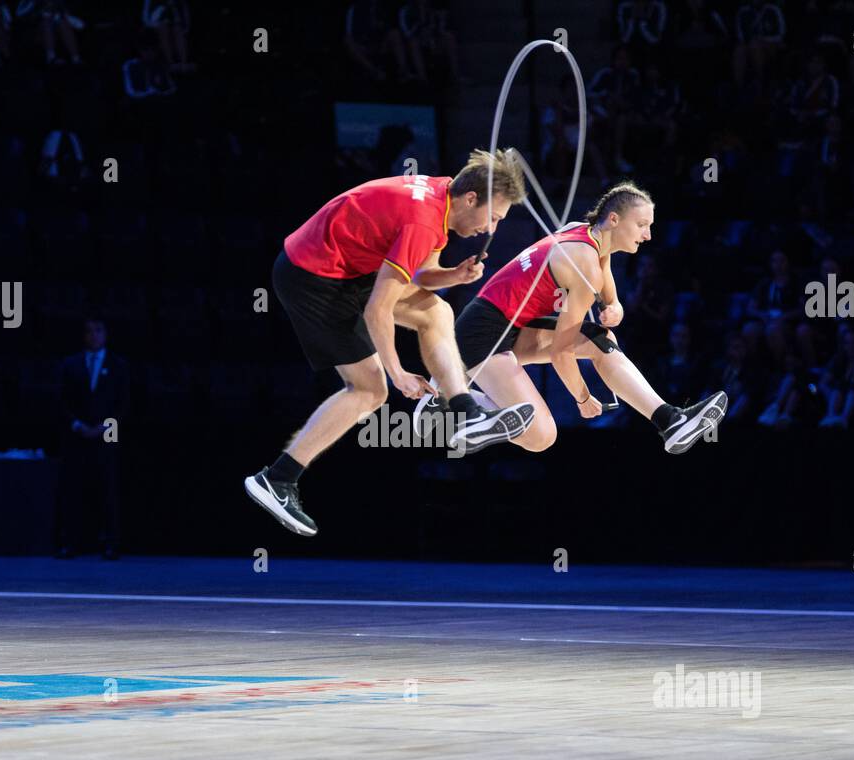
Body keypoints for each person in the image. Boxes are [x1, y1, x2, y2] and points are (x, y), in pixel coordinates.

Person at [244, 149, 537, 537]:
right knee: (370, 389)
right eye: (493, 217)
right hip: (313, 278)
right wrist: (397, 372)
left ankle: (465, 410)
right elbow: (377, 310)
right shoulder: (423, 222)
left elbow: (424, 275)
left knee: (438, 313)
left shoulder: (439, 195)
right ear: (471, 199)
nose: (490, 229)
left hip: (346, 270)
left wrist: (454, 275)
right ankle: (277, 479)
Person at [419, 181, 726, 455]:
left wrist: (613, 301)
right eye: (642, 225)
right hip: (481, 336)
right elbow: (560, 353)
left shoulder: (583, 233)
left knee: (601, 340)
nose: (648, 235)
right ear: (615, 220)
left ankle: (670, 421)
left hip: (511, 326)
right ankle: (455, 404)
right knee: (541, 437)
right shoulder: (583, 267)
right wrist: (582, 397)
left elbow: (604, 263)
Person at [56, 318, 129, 560]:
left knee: (108, 492)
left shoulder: (119, 365)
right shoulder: (70, 364)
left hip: (106, 437)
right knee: (73, 492)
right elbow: (61, 401)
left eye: (98, 330)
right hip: (77, 437)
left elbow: (124, 404)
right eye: (88, 331)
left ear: (105, 334)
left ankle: (111, 544)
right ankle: (70, 543)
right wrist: (78, 425)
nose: (93, 335)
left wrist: (104, 427)